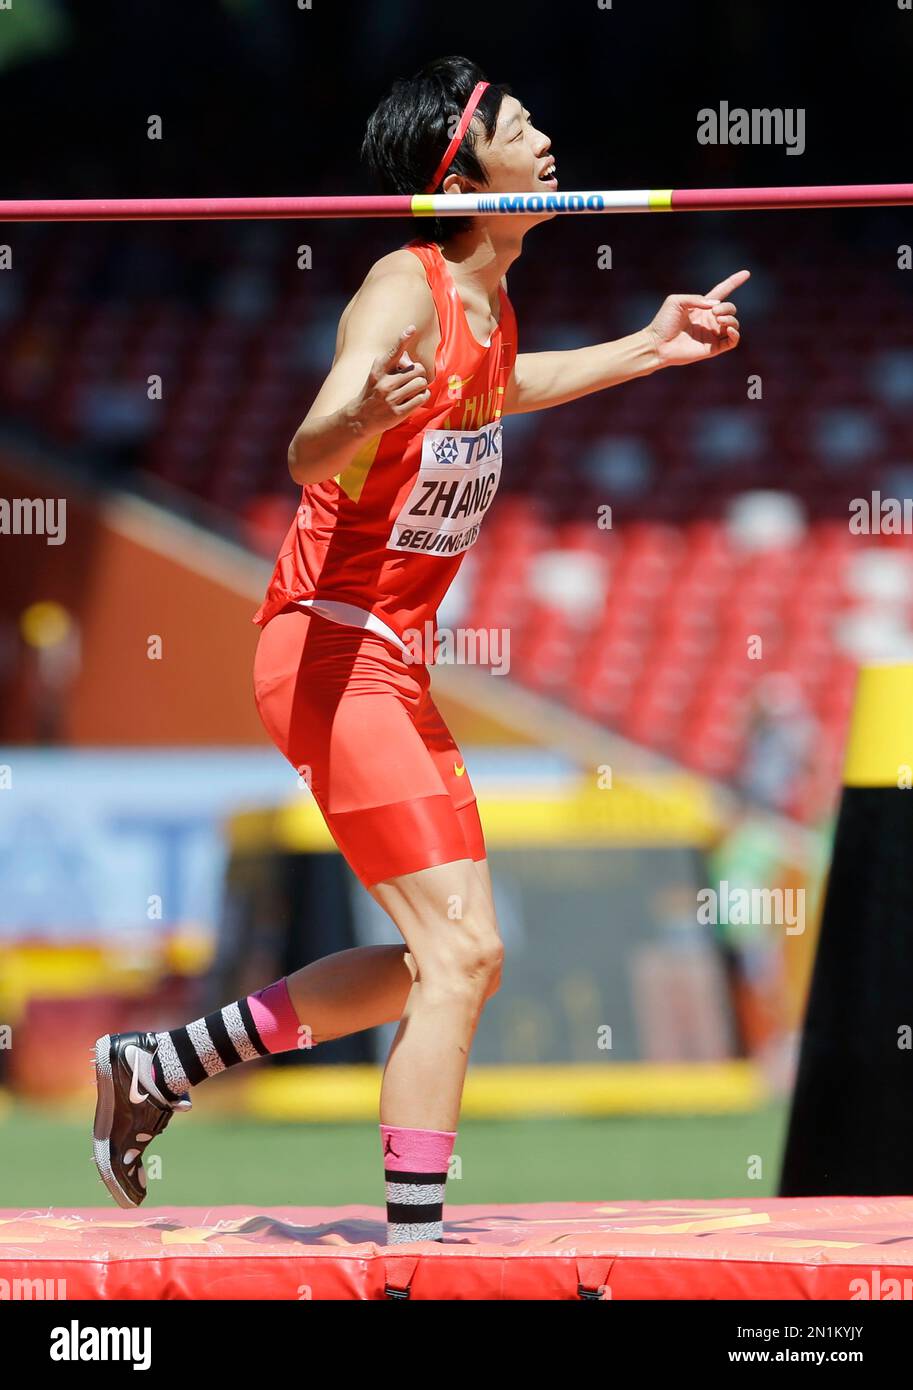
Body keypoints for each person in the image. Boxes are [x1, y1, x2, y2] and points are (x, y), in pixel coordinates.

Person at [93, 54, 747, 1242]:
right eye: (522, 124)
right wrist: (363, 412)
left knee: (446, 960)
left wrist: (646, 348)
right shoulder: (405, 284)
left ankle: (163, 1063)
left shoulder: (490, 305)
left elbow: (502, 385)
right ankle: (413, 1255)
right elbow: (306, 447)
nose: (548, 136)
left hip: (391, 662)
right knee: (463, 952)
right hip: (330, 650)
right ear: (463, 166)